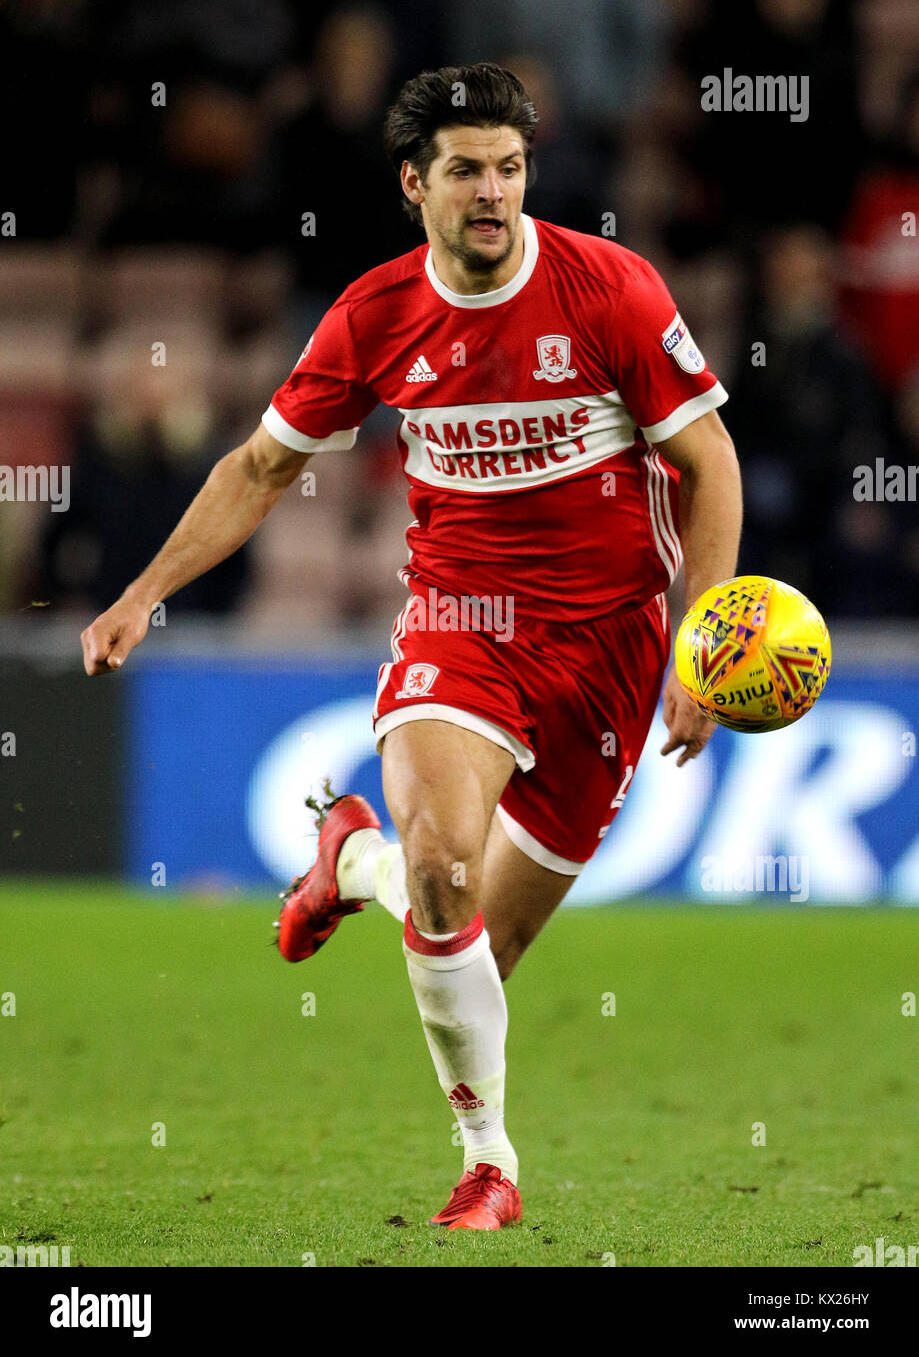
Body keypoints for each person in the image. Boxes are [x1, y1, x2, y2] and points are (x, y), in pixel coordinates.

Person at [81, 63, 742, 1231]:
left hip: (609, 648)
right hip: (460, 624)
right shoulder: (375, 315)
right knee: (441, 869)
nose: (492, 192)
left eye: (509, 169)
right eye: (466, 171)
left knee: (478, 931)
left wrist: (704, 636)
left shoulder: (609, 290)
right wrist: (143, 592)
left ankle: (348, 863)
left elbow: (710, 465)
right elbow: (260, 469)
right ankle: (489, 1160)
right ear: (413, 184)